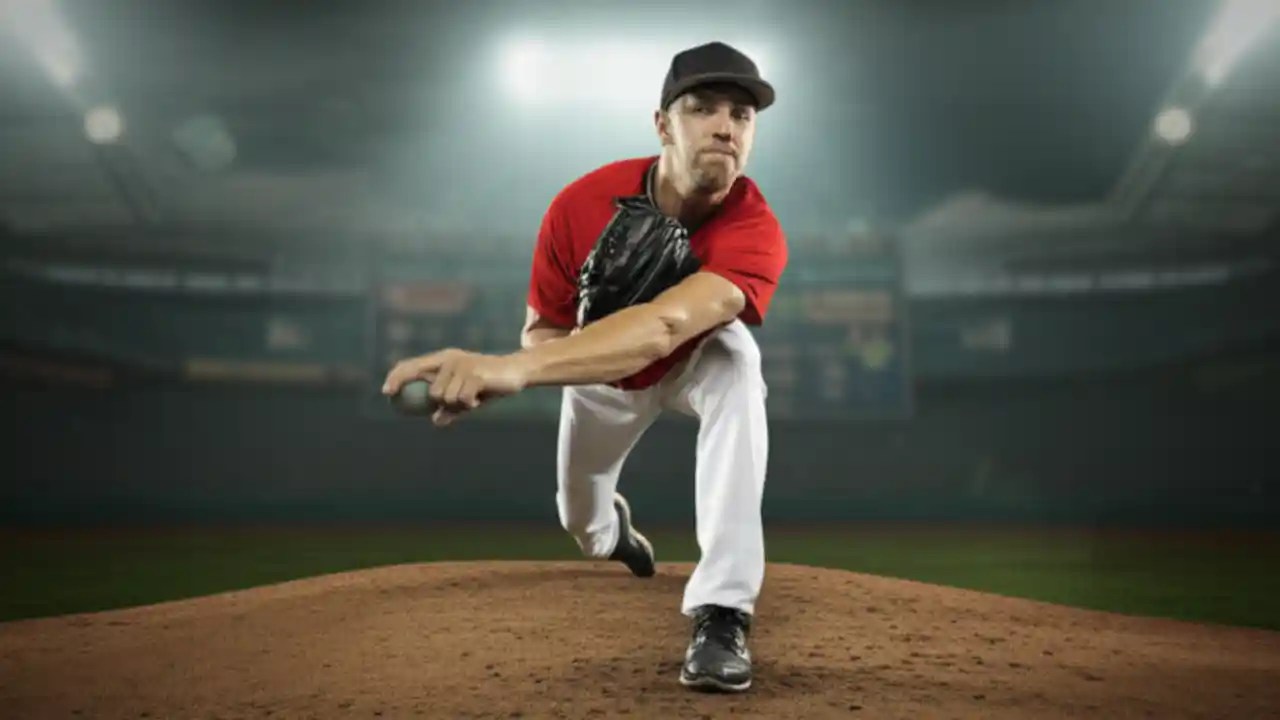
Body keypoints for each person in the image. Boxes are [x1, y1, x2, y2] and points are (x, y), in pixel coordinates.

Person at [382, 41, 788, 693]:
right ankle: (612, 533)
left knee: (738, 363)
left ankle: (723, 611)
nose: (725, 127)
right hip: (601, 376)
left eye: (741, 115)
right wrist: (511, 371)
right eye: (703, 108)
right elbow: (544, 331)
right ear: (662, 125)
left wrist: (512, 370)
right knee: (581, 522)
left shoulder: (755, 227)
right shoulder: (581, 206)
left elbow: (668, 327)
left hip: (691, 359)